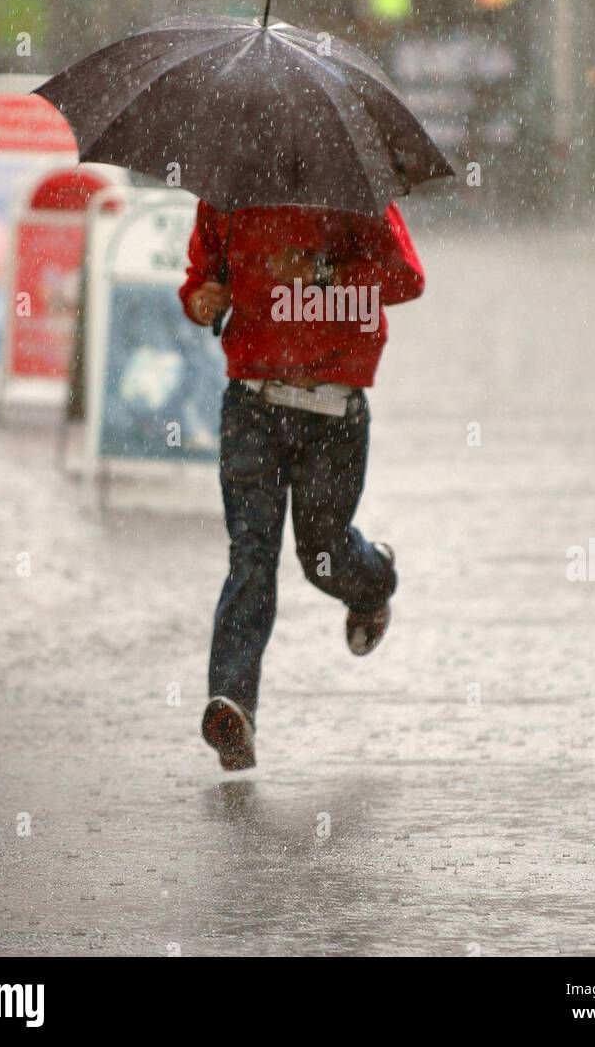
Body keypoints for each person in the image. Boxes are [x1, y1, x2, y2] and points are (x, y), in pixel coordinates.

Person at [179, 201, 425, 770]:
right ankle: (233, 707)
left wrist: (323, 275)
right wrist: (202, 300)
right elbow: (201, 280)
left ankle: (371, 582)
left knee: (321, 554)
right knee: (251, 557)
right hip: (251, 405)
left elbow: (406, 280)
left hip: (333, 412)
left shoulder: (354, 198)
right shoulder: (227, 197)